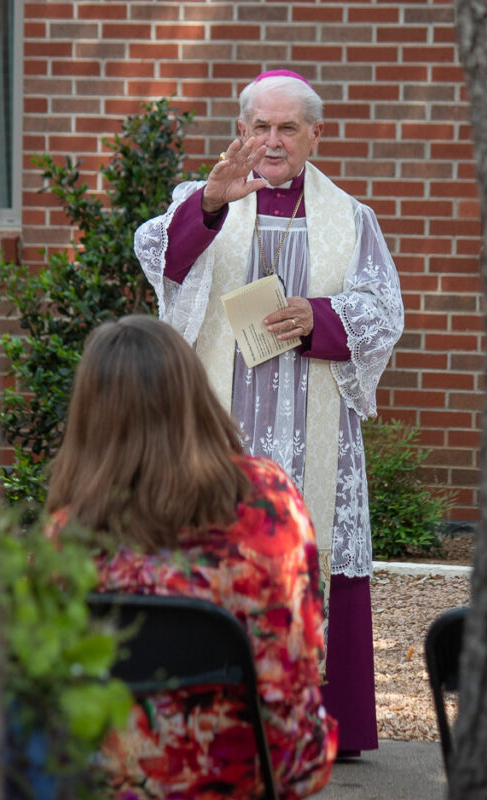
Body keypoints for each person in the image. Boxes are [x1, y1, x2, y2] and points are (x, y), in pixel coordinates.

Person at [134, 69, 404, 756]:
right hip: (222, 422)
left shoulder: (351, 218)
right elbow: (157, 258)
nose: (273, 140)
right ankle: (211, 712)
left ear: (315, 134)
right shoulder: (204, 201)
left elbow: (382, 313)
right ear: (241, 131)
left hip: (312, 422)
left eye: (288, 127)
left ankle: (318, 722)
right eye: (260, 126)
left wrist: (314, 315)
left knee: (313, 550)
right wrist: (211, 204)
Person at [45, 315, 337, 800]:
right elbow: (298, 667)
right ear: (193, 395)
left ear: (89, 417)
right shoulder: (270, 503)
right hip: (246, 780)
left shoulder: (66, 540)